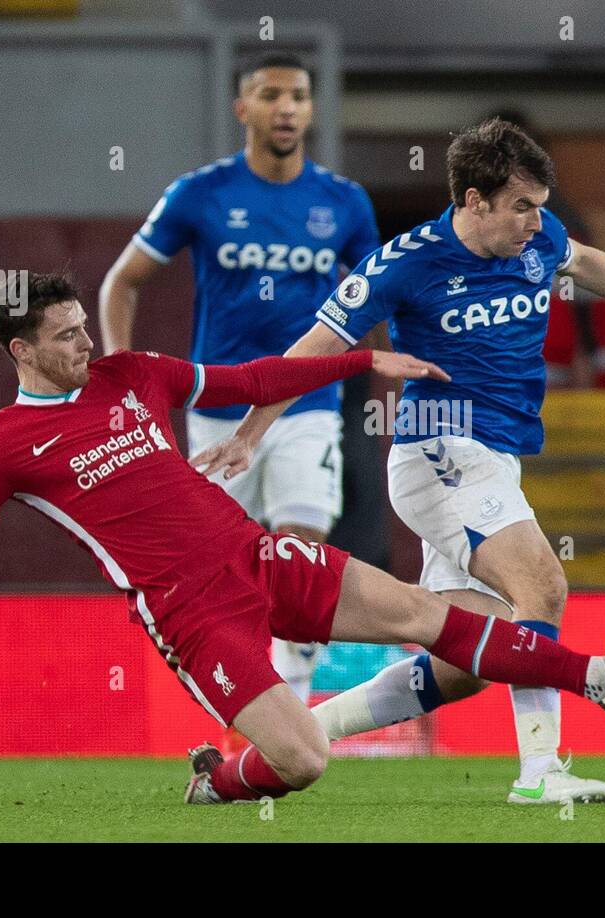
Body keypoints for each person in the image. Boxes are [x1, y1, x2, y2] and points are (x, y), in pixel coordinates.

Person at [0, 272, 605, 806]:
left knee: (426, 613)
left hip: (259, 554)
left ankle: (601, 679)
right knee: (302, 762)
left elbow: (252, 378)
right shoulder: (4, 442)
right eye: (67, 333)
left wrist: (359, 362)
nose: (87, 341)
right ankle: (215, 781)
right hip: (191, 613)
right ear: (21, 349)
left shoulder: (134, 374)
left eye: (84, 324)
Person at [191, 118, 605, 804]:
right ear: (473, 200)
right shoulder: (405, 262)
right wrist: (253, 431)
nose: (537, 222)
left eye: (540, 204)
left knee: (468, 661)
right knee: (544, 587)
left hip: (497, 456)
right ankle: (542, 772)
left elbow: (585, 261)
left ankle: (281, 742)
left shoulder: (537, 238)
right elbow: (314, 346)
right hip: (440, 449)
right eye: (521, 206)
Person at [99, 52, 380, 715]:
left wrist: (391, 370)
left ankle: (295, 708)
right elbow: (121, 282)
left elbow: (376, 294)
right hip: (218, 410)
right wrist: (122, 376)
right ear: (243, 108)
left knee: (300, 543)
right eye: (271, 94)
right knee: (221, 570)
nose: (287, 107)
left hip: (308, 405)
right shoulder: (200, 193)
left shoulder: (343, 201)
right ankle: (242, 700)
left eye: (299, 96)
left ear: (312, 110)